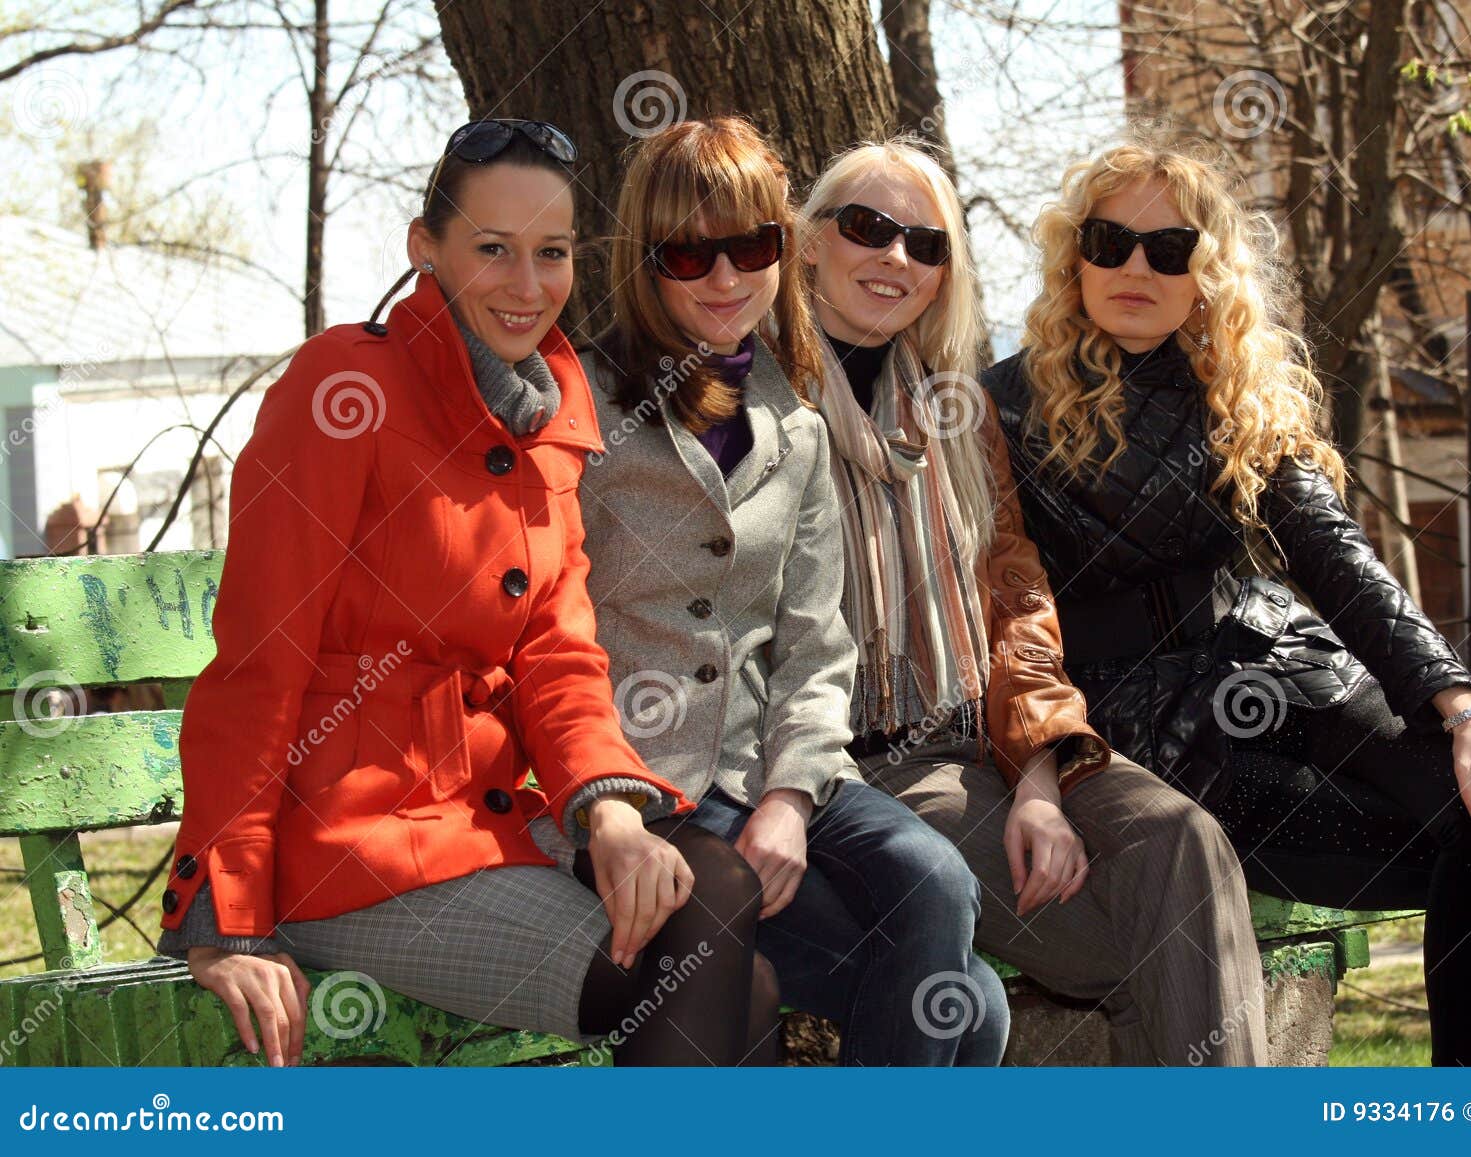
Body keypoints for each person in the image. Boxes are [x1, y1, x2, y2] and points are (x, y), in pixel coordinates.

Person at [156, 118, 780, 1067]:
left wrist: (608, 810)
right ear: (426, 248)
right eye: (493, 250)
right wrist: (226, 917)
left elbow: (558, 653)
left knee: (723, 902)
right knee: (698, 963)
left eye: (552, 254)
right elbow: (260, 655)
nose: (527, 287)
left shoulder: (549, 412)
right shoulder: (344, 386)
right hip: (348, 845)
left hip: (484, 818)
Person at [985, 134, 1471, 1065]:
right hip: (1149, 734)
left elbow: (1340, 559)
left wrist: (1464, 707)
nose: (1136, 267)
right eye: (1110, 243)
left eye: (1170, 249)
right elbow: (1001, 608)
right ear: (1075, 258)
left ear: (1206, 276)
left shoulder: (1240, 396)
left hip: (1288, 667)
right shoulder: (999, 407)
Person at [799, 138, 1266, 1065]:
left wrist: (1042, 780)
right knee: (1142, 944)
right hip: (867, 762)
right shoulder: (759, 408)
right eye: (868, 229)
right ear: (808, 243)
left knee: (1185, 842)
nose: (897, 258)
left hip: (993, 736)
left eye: (926, 245)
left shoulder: (956, 420)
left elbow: (1017, 608)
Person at [567, 116, 1008, 1065]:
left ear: (786, 249)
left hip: (767, 766)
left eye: (751, 247)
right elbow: (545, 628)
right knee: (969, 1005)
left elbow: (816, 647)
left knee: (938, 878)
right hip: (647, 783)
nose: (726, 279)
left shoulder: (797, 425)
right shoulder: (582, 409)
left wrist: (792, 796)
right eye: (690, 254)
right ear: (645, 259)